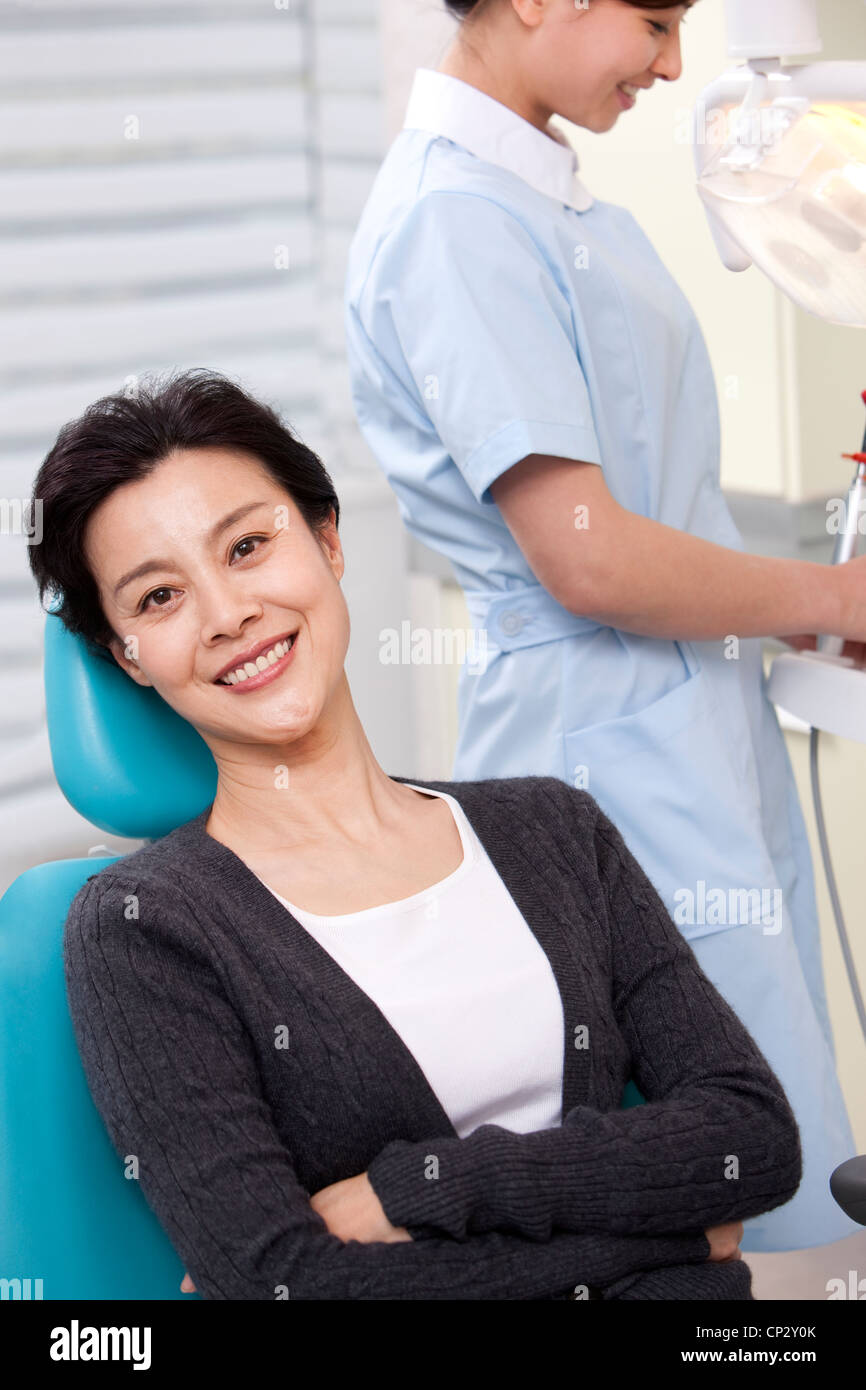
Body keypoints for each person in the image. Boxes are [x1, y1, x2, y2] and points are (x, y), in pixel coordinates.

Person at [28, 368, 799, 1300]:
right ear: (130, 659)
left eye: (247, 546)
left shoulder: (552, 828)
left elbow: (749, 1137)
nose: (229, 615)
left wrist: (417, 1191)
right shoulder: (144, 926)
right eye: (158, 599)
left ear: (326, 541)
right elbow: (286, 1282)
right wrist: (667, 1238)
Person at [343, 0, 866, 1252]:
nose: (673, 63)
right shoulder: (452, 222)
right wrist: (835, 598)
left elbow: (642, 506)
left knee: (762, 1133)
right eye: (653, 18)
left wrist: (790, 615)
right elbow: (584, 560)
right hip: (597, 748)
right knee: (699, 1161)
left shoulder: (548, 198)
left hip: (683, 715)